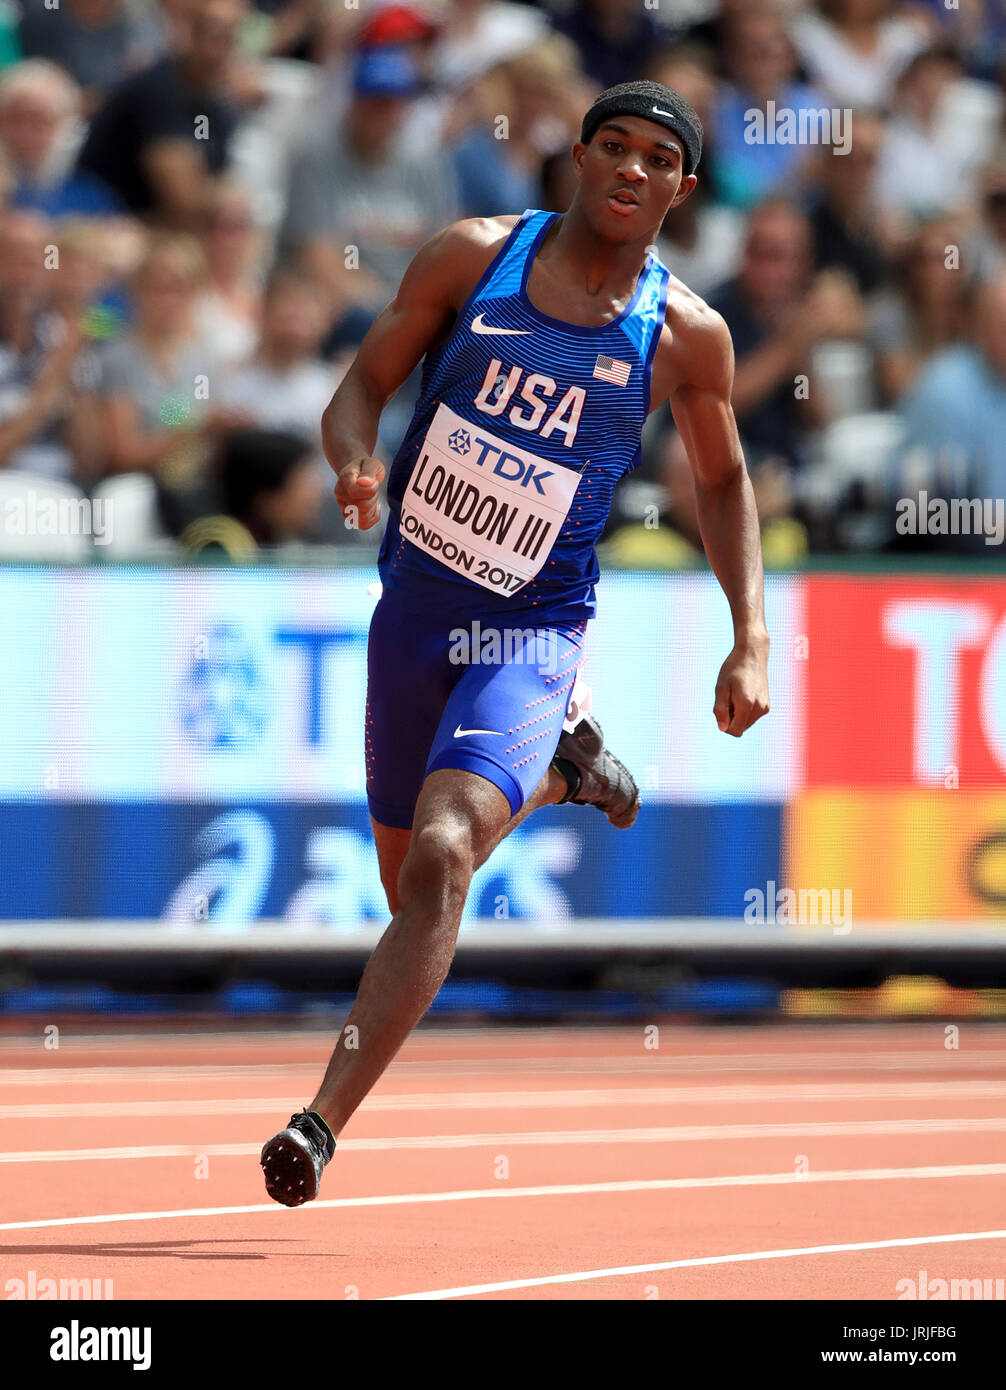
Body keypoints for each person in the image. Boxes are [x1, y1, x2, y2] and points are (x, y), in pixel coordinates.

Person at [260, 79, 771, 1206]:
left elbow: (726, 480)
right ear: (578, 159)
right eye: (613, 147)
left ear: (681, 189)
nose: (631, 170)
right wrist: (356, 460)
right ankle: (558, 768)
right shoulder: (471, 257)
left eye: (656, 159)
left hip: (534, 629)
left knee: (444, 854)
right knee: (410, 887)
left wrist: (752, 638)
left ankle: (318, 1123)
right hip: (413, 618)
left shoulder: (684, 334)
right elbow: (360, 390)